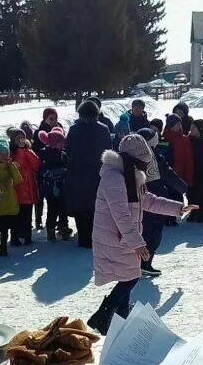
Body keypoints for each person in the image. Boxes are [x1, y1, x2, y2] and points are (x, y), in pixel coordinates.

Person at [87, 134, 191, 334]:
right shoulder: (114, 178)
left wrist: (178, 208)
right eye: (144, 161)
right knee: (130, 277)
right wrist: (137, 243)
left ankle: (119, 315)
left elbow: (148, 201)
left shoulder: (130, 174)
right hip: (115, 237)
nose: (145, 166)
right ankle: (104, 314)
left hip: (125, 237)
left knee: (130, 274)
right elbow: (121, 215)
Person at [137, 128, 187, 277]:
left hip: (138, 198)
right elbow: (168, 174)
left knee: (141, 231)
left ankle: (137, 262)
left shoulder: (132, 156)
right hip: (154, 197)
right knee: (154, 232)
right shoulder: (154, 156)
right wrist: (184, 187)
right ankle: (145, 263)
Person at [65, 100, 112, 248]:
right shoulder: (103, 130)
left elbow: (68, 149)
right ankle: (94, 237)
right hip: (97, 172)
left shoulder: (74, 130)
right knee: (95, 205)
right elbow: (108, 151)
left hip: (77, 172)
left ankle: (83, 237)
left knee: (80, 206)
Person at [38, 127, 71, 241]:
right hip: (50, 187)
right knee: (52, 209)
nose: (62, 145)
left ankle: (64, 227)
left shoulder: (63, 154)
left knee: (63, 208)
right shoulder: (44, 154)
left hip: (62, 185)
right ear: (54, 143)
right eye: (60, 143)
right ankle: (51, 229)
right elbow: (41, 170)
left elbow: (68, 166)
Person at [9, 129, 40, 245]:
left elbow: (36, 164)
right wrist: (21, 150)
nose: (20, 140)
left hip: (29, 187)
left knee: (28, 213)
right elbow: (18, 166)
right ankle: (15, 236)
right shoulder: (11, 152)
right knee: (17, 215)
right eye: (18, 138)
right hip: (17, 189)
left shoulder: (28, 150)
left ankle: (27, 236)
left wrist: (26, 150)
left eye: (22, 137)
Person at [162, 113, 193, 186]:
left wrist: (188, 179)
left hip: (179, 177)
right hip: (166, 177)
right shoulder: (163, 138)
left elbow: (189, 160)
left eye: (180, 123)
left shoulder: (184, 139)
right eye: (177, 124)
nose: (180, 126)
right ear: (171, 125)